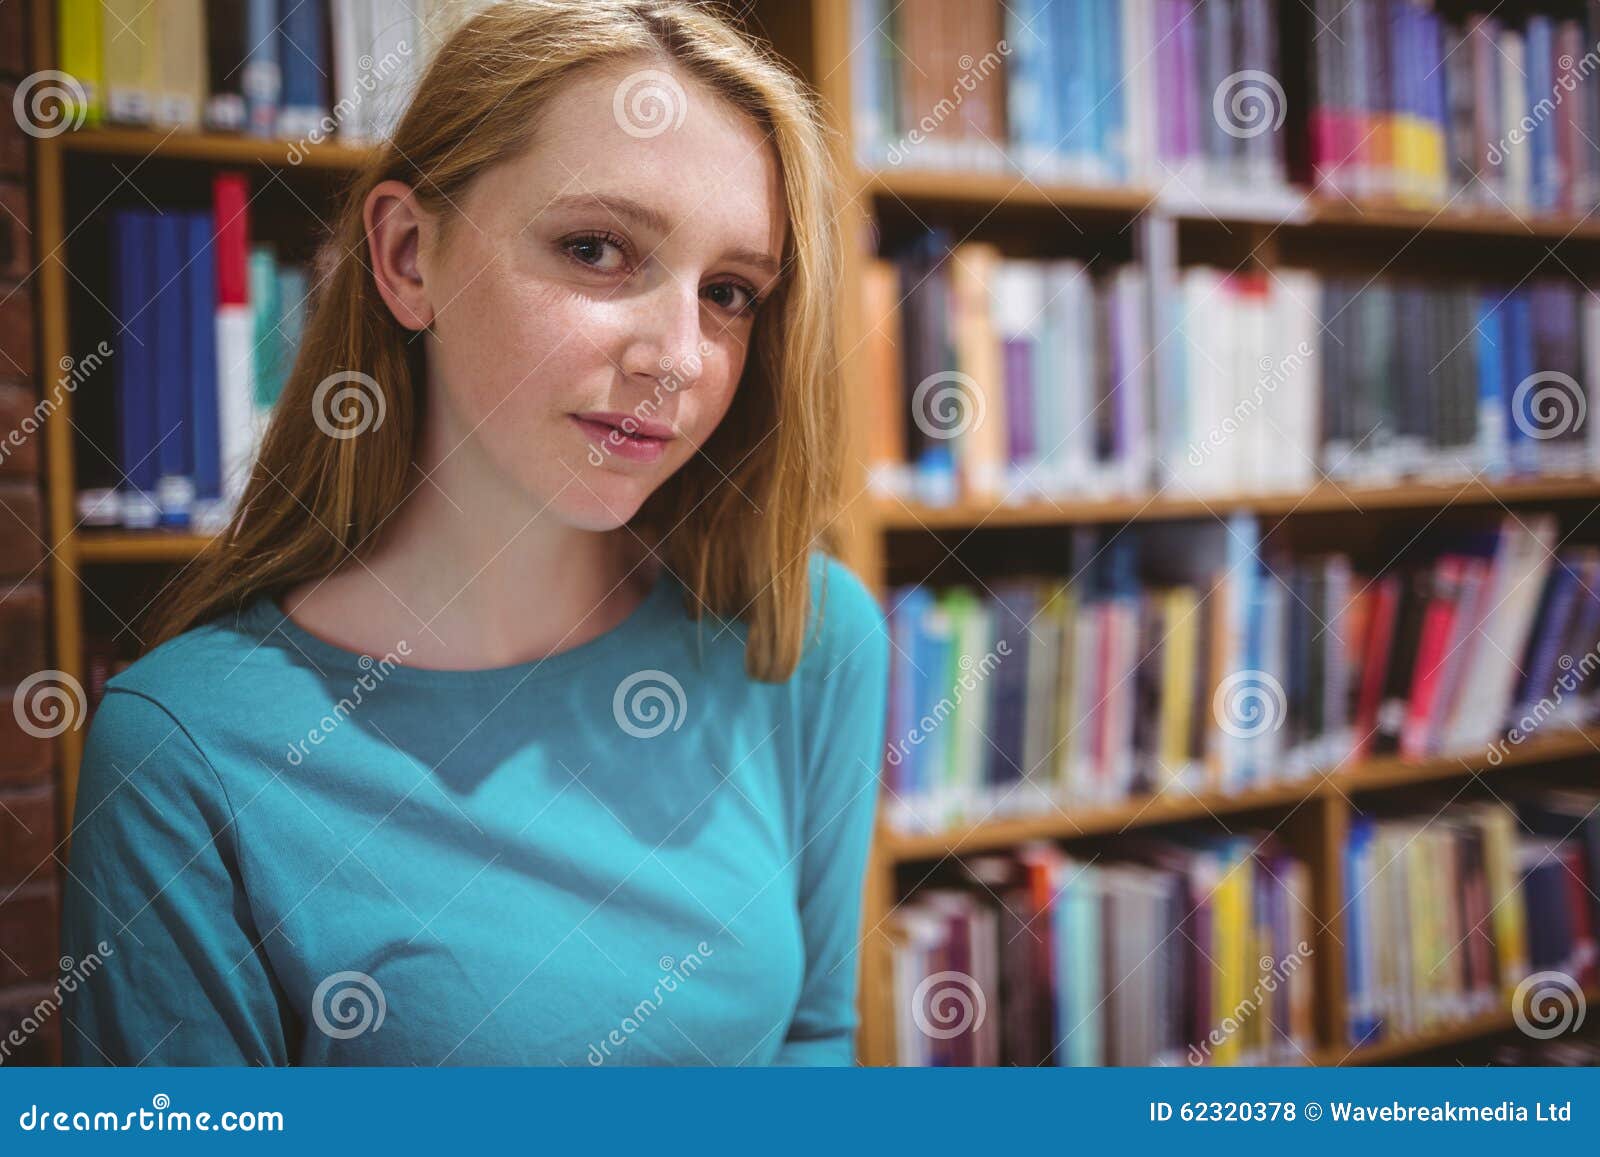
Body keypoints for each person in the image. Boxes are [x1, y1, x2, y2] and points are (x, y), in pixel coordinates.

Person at [60, 0, 888, 1066]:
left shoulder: (801, 636)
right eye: (596, 249)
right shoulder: (185, 752)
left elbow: (815, 1037)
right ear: (409, 257)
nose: (679, 357)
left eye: (729, 291)